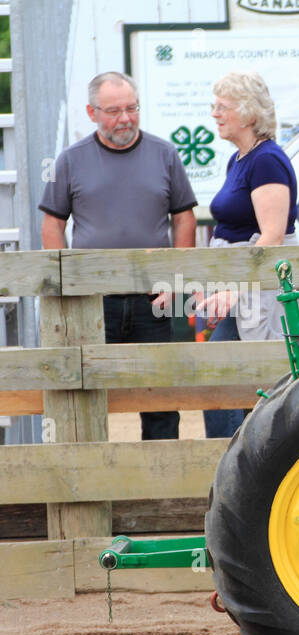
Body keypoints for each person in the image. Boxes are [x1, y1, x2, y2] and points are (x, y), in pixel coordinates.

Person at [39, 71, 196, 441]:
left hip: (154, 299)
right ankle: (90, 481)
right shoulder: (71, 159)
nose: (125, 118)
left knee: (159, 397)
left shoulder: (165, 154)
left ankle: (161, 487)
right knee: (85, 394)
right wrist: (66, 285)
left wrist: (176, 280)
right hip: (92, 302)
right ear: (92, 113)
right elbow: (52, 224)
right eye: (113, 111)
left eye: (131, 108)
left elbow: (184, 216)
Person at [195, 71, 299, 439]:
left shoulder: (266, 161)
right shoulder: (240, 159)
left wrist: (234, 291)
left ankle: (237, 465)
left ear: (249, 114)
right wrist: (211, 284)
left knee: (232, 377)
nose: (215, 114)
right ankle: (231, 466)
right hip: (236, 286)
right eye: (214, 106)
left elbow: (272, 236)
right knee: (220, 378)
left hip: (254, 291)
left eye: (222, 107)